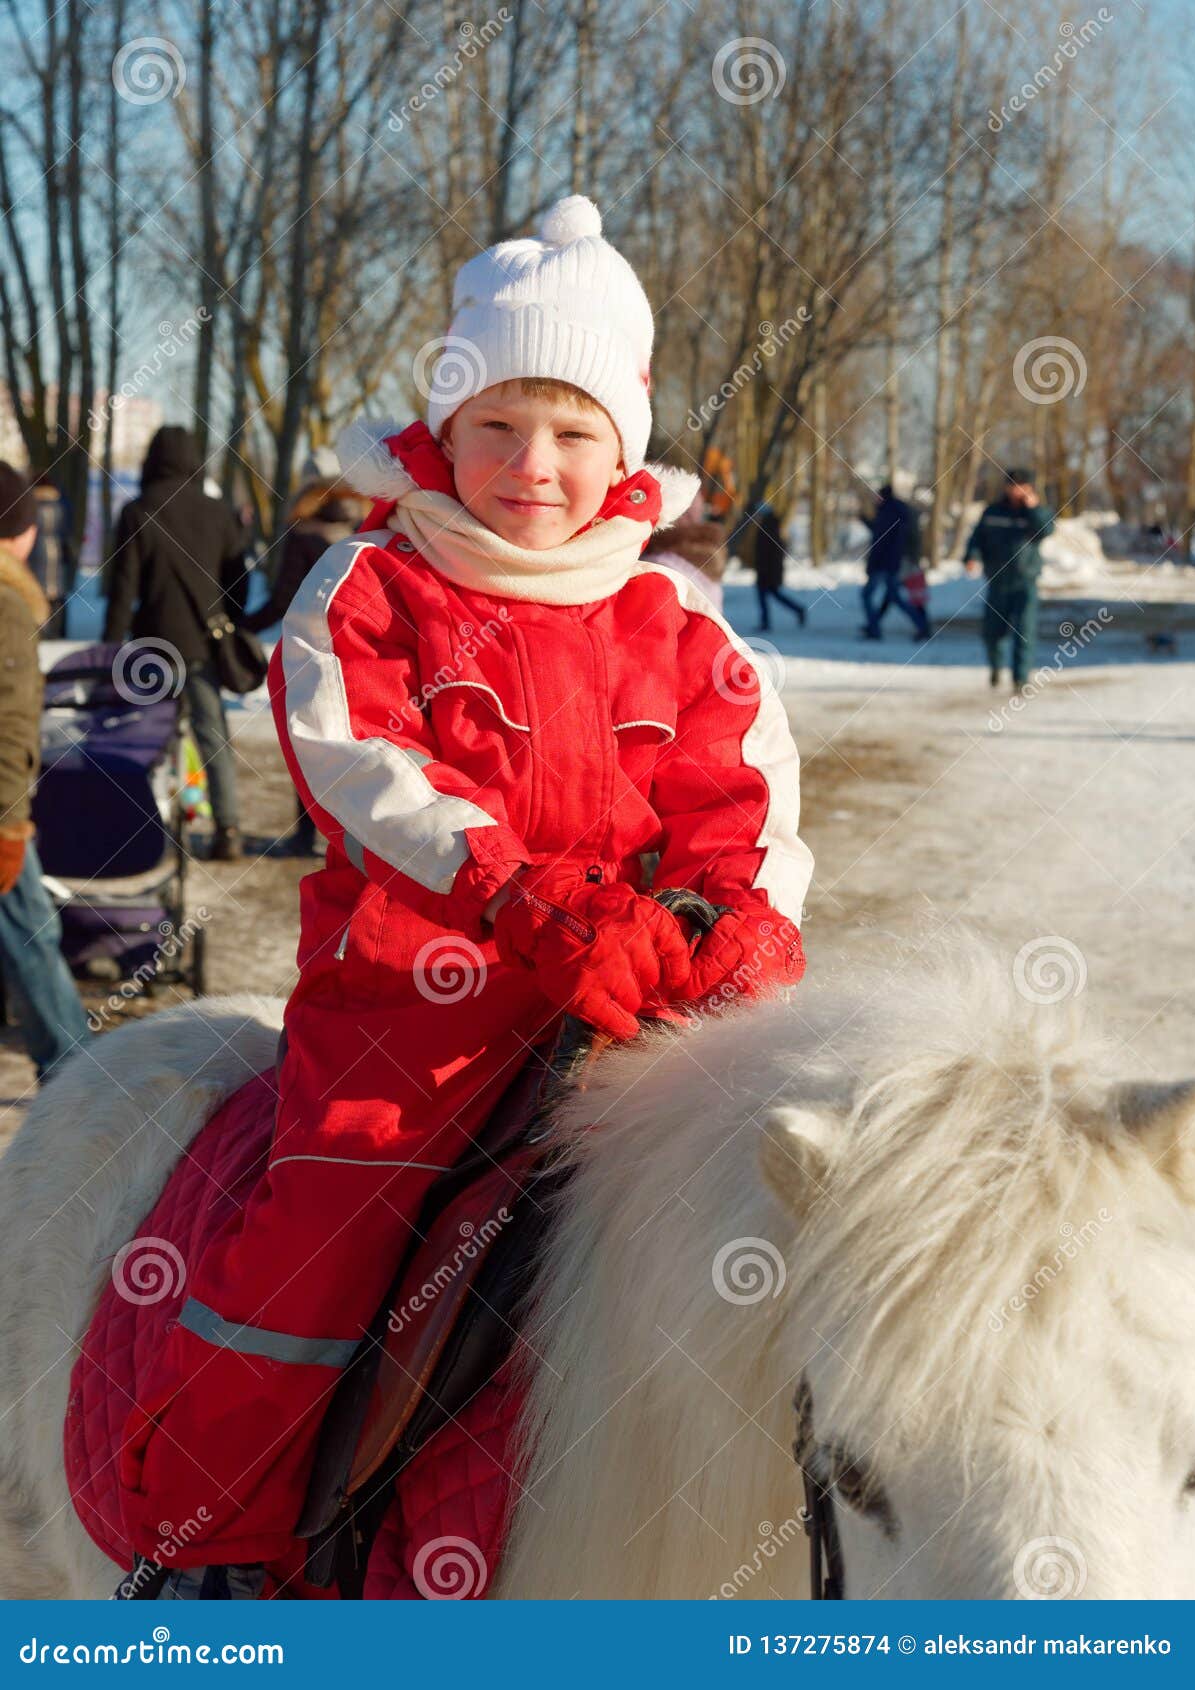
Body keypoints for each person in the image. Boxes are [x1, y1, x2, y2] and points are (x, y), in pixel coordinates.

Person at [114, 194, 814, 1584]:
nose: (532, 465)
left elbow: (746, 791)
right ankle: (219, 1533)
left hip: (636, 1006)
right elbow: (358, 757)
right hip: (420, 997)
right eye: (497, 424)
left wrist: (730, 927)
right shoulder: (375, 585)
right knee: (333, 1219)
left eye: (570, 432)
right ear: (443, 430)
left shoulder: (675, 620)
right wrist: (513, 893)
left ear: (622, 444)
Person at [103, 427, 247, 860]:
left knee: (145, 737)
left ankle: (140, 828)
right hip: (202, 646)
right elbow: (239, 581)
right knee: (212, 736)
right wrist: (228, 620)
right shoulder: (218, 513)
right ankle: (229, 829)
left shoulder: (136, 512)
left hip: (151, 648)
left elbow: (123, 592)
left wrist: (108, 652)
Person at [0, 463, 91, 1084]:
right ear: (23, 531)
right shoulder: (7, 600)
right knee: (31, 933)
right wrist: (9, 824)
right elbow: (8, 721)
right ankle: (76, 1075)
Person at [240, 455, 369, 857]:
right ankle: (362, 841)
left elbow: (284, 599)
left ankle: (306, 834)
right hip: (366, 653)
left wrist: (241, 625)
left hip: (315, 653)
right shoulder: (369, 528)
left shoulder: (301, 533)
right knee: (363, 748)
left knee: (310, 743)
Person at [964, 468, 1055, 689]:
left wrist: (1033, 508)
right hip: (998, 580)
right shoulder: (993, 512)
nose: (1017, 491)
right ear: (1006, 487)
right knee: (992, 632)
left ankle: (1020, 678)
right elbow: (977, 538)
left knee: (1024, 631)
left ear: (1030, 488)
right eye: (1013, 486)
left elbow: (1047, 530)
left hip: (1025, 581)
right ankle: (995, 668)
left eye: (1022, 486)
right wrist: (972, 556)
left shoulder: (1036, 513)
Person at [860, 484, 928, 641]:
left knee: (869, 595)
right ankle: (920, 626)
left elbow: (881, 541)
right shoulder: (899, 513)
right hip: (894, 562)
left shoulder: (886, 513)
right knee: (894, 597)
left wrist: (872, 564)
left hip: (883, 563)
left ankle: (874, 628)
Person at [28, 472, 76, 640]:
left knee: (35, 603)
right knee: (57, 602)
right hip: (57, 563)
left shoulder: (29, 506)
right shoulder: (64, 505)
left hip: (35, 561)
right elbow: (69, 534)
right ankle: (58, 635)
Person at [750, 500, 807, 632]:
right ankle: (797, 610)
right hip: (768, 570)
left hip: (768, 571)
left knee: (768, 596)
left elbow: (771, 553)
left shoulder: (768, 528)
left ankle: (768, 621)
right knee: (770, 596)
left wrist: (766, 569)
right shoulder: (769, 526)